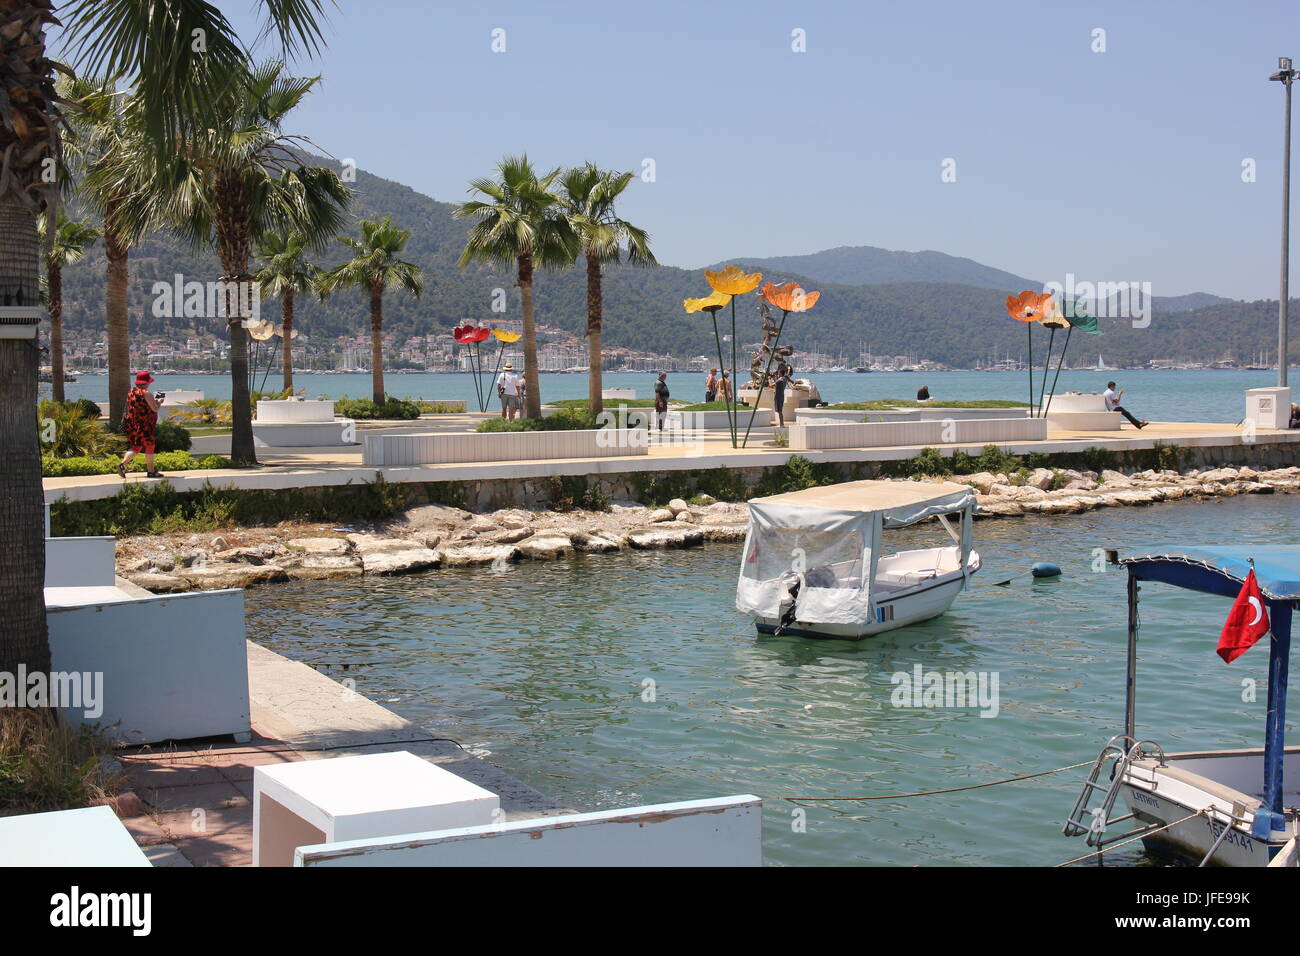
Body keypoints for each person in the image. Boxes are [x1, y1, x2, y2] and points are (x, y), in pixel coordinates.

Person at [117, 371, 164, 478]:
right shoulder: (146, 393)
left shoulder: (131, 392)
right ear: (147, 382)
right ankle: (151, 471)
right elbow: (155, 408)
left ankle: (122, 464)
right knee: (150, 446)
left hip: (134, 425)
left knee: (136, 446)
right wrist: (160, 401)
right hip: (145, 425)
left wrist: (154, 401)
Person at [773, 362, 793, 427]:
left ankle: (782, 424)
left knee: (779, 411)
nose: (778, 373)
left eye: (778, 372)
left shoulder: (779, 380)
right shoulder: (784, 379)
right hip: (781, 396)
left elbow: (771, 385)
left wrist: (770, 379)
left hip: (778, 396)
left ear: (781, 373)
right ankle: (782, 424)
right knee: (780, 411)